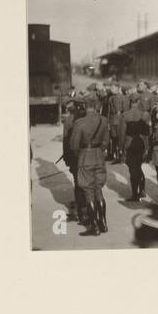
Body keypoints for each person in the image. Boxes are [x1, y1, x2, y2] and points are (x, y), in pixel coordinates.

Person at [69, 94, 111, 235]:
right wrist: (99, 150)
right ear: (97, 106)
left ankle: (95, 227)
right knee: (98, 190)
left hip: (85, 158)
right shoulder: (103, 120)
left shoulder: (79, 123)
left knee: (88, 192)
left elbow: (74, 146)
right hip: (99, 157)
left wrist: (80, 155)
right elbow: (106, 142)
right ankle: (103, 224)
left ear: (85, 106)